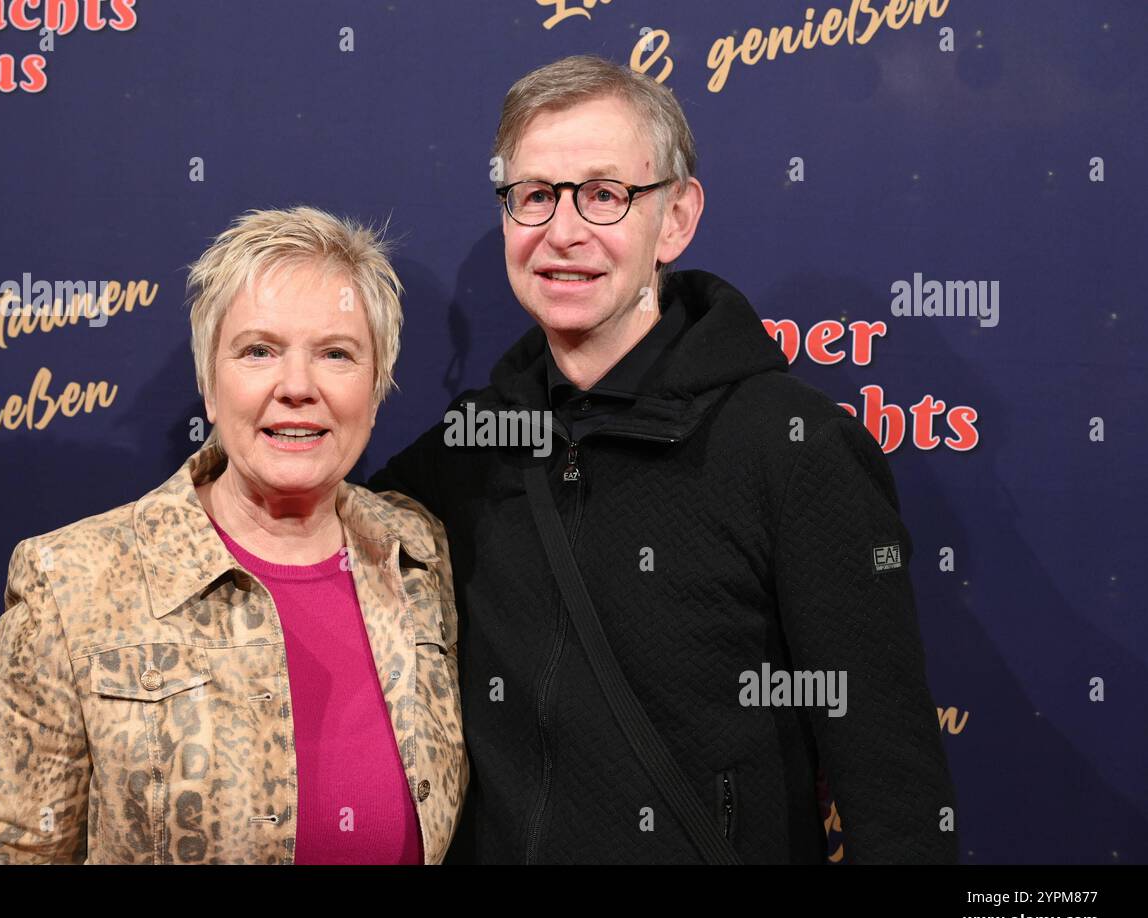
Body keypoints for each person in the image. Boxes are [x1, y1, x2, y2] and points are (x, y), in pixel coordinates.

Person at [369, 55, 958, 864]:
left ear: (675, 219)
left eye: (604, 195)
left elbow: (899, 805)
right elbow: (309, 539)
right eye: (535, 195)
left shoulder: (794, 449)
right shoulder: (469, 447)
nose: (562, 231)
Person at [0, 207, 467, 864]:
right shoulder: (71, 583)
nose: (297, 386)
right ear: (210, 384)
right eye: (258, 351)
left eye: (336, 353)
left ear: (377, 383)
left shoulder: (419, 554)